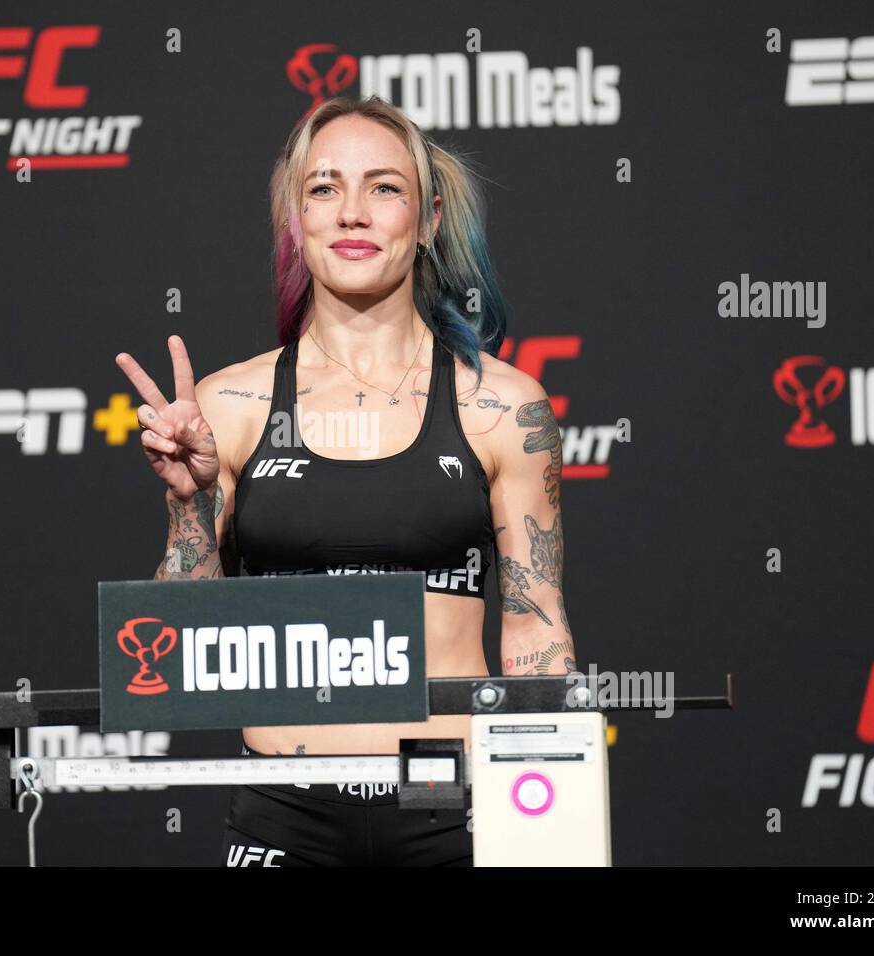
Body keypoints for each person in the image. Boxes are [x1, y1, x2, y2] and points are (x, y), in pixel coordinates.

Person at [114, 95, 577, 866]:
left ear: (427, 219)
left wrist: (556, 820)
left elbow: (535, 628)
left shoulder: (502, 406)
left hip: (452, 809)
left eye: (384, 187)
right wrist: (186, 504)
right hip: (284, 814)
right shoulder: (228, 407)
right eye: (325, 188)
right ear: (298, 220)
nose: (353, 213)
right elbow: (179, 643)